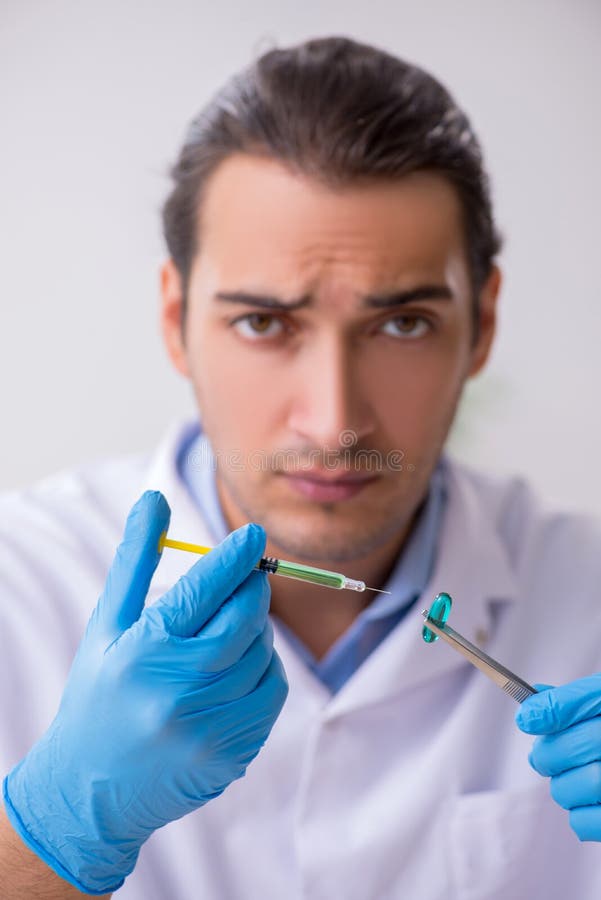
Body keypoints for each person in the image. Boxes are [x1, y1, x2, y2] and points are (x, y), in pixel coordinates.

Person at [1, 34, 601, 900]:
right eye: (263, 324)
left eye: (401, 324)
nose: (333, 423)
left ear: (484, 322)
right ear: (175, 319)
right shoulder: (18, 585)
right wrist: (48, 836)